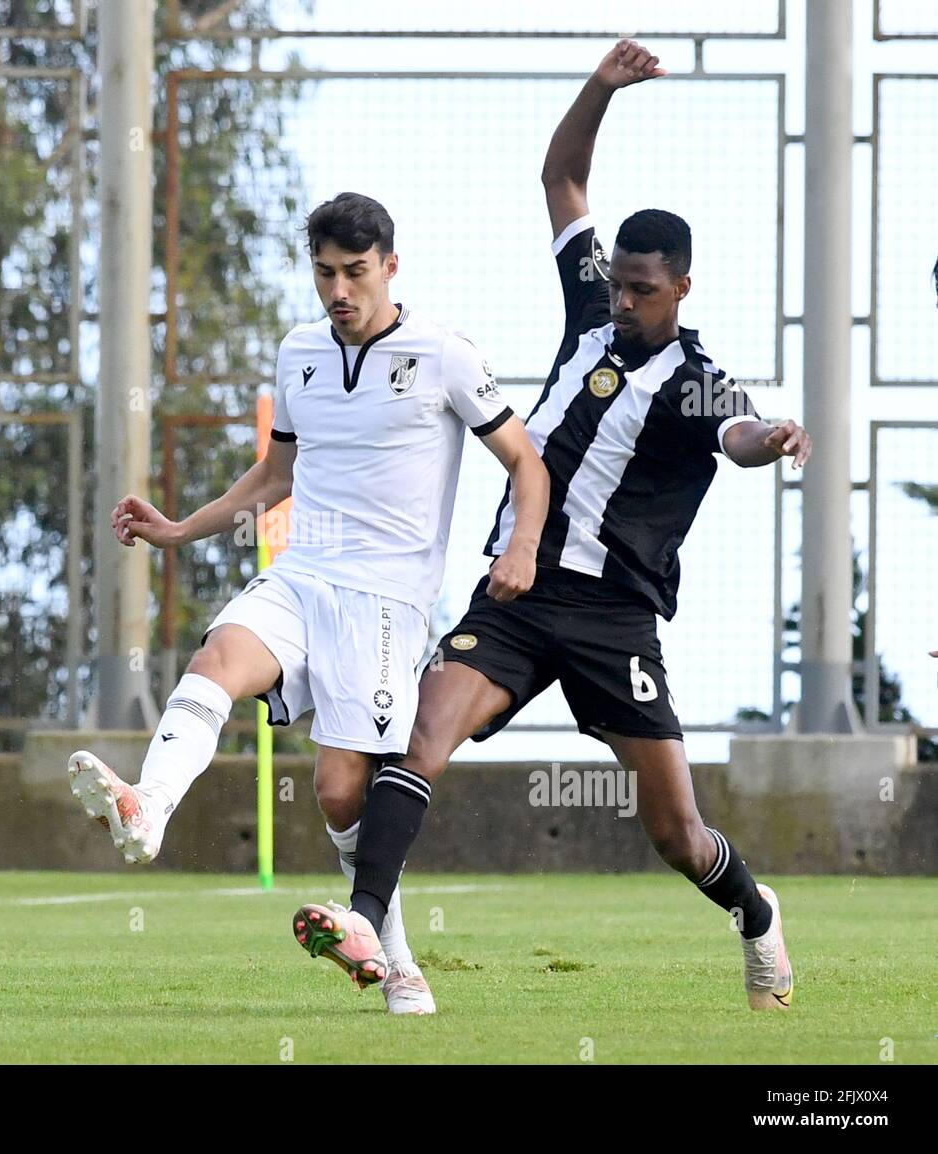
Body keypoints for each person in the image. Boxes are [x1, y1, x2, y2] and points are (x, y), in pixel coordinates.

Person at [295, 42, 811, 1013]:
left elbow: (737, 435)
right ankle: (368, 920)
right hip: (517, 588)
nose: (621, 299)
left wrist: (773, 435)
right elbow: (562, 175)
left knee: (677, 834)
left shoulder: (697, 383)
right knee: (421, 733)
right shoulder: (589, 313)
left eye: (641, 290)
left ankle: (752, 911)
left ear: (681, 290)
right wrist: (601, 88)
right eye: (615, 282)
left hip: (614, 620)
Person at [69, 192, 548, 1014]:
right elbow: (275, 474)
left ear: (390, 267)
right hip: (303, 571)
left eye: (356, 273)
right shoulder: (298, 353)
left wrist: (524, 547)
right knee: (216, 659)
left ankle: (395, 958)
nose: (339, 291)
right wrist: (179, 530)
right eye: (325, 273)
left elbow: (527, 465)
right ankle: (149, 806)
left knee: (336, 791)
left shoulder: (445, 355)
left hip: (387, 600)